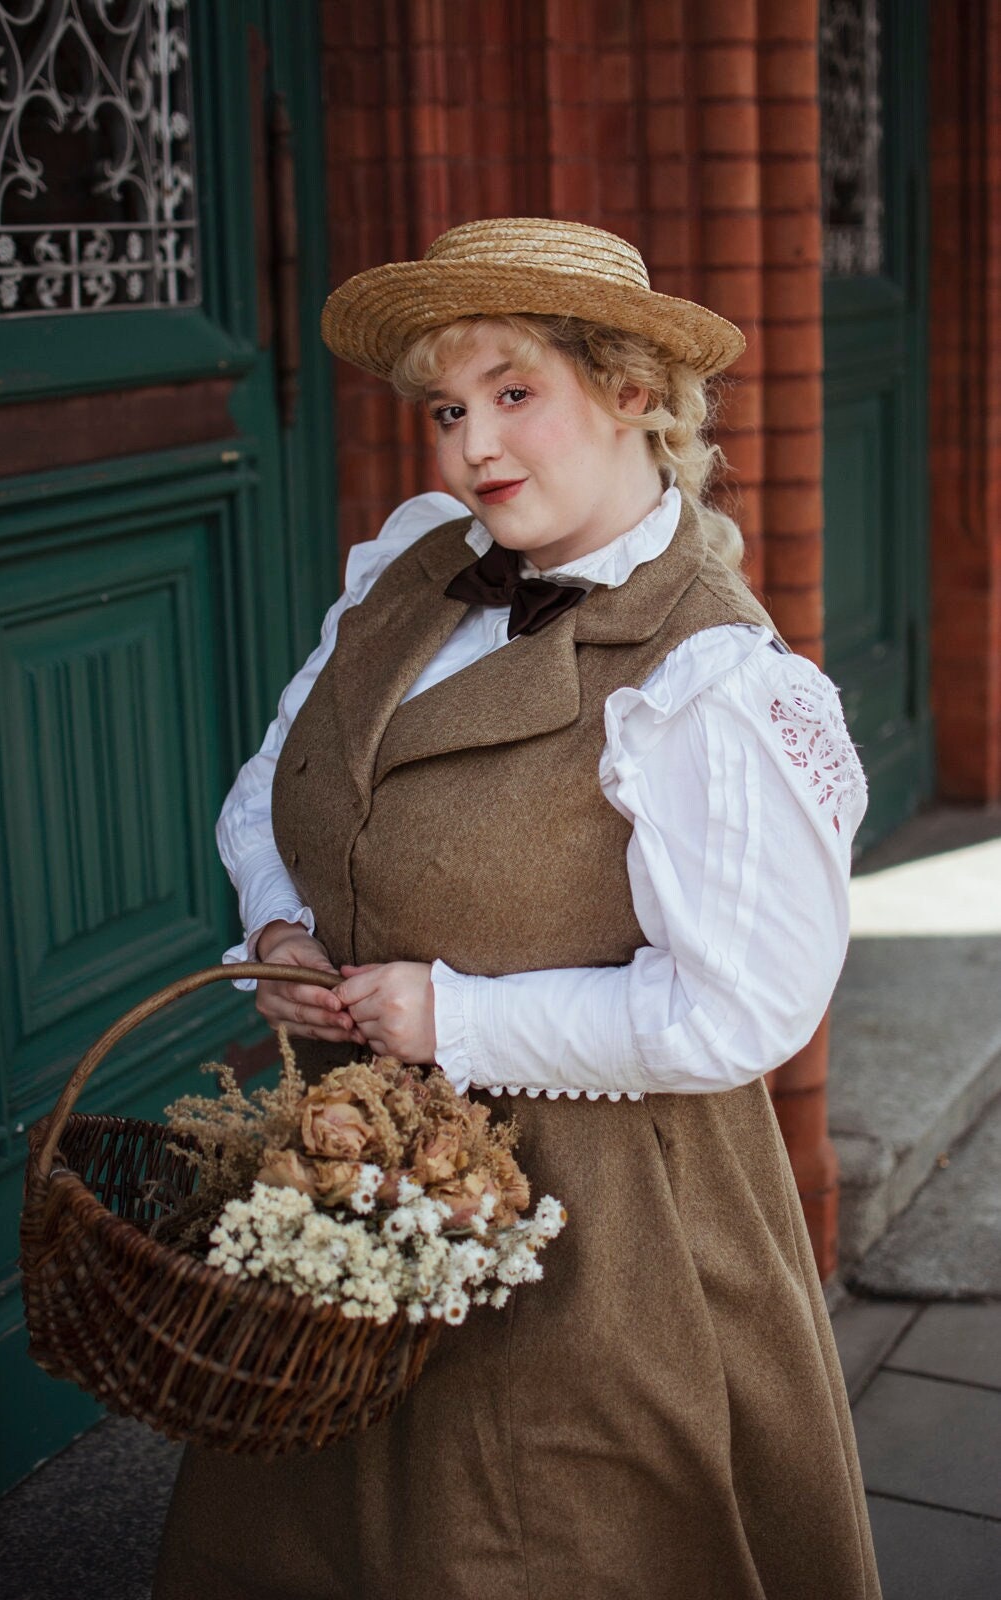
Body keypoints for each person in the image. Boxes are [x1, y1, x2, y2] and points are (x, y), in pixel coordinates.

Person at [153, 218, 881, 1600]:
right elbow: (275, 790)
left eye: (513, 393)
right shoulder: (418, 564)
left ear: (632, 393)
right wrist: (283, 932)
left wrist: (456, 1018)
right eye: (448, 409)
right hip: (352, 1189)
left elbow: (745, 1012)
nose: (472, 447)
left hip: (603, 1243)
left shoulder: (717, 680)